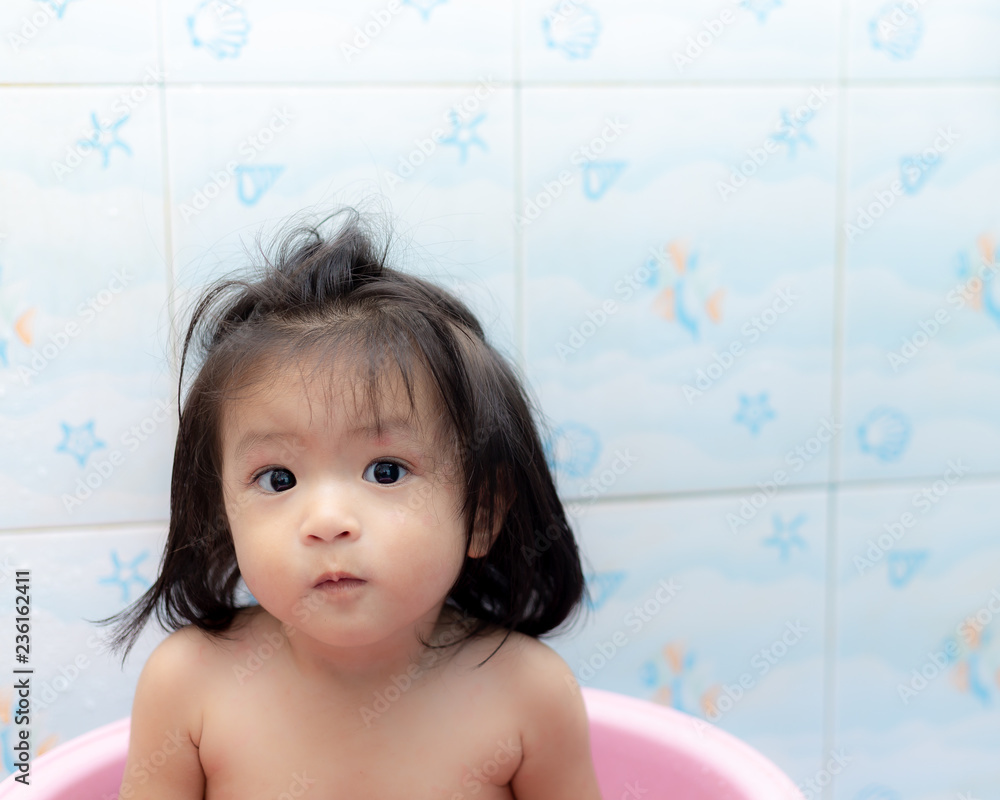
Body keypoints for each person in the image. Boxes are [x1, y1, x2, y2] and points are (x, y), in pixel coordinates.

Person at [95, 208, 604, 799]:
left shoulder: (528, 695)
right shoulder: (188, 687)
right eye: (278, 479)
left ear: (483, 512)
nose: (327, 522)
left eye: (385, 471)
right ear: (222, 517)